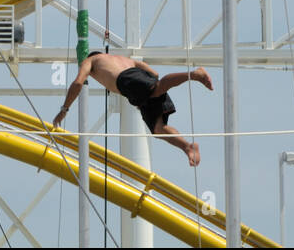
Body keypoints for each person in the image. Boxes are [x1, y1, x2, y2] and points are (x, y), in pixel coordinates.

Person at [52, 50, 212, 166]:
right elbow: (154, 73)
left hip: (126, 80)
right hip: (137, 88)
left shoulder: (91, 61)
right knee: (158, 129)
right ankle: (187, 147)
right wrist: (142, 92)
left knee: (157, 88)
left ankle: (195, 74)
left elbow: (78, 82)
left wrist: (64, 110)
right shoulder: (125, 59)